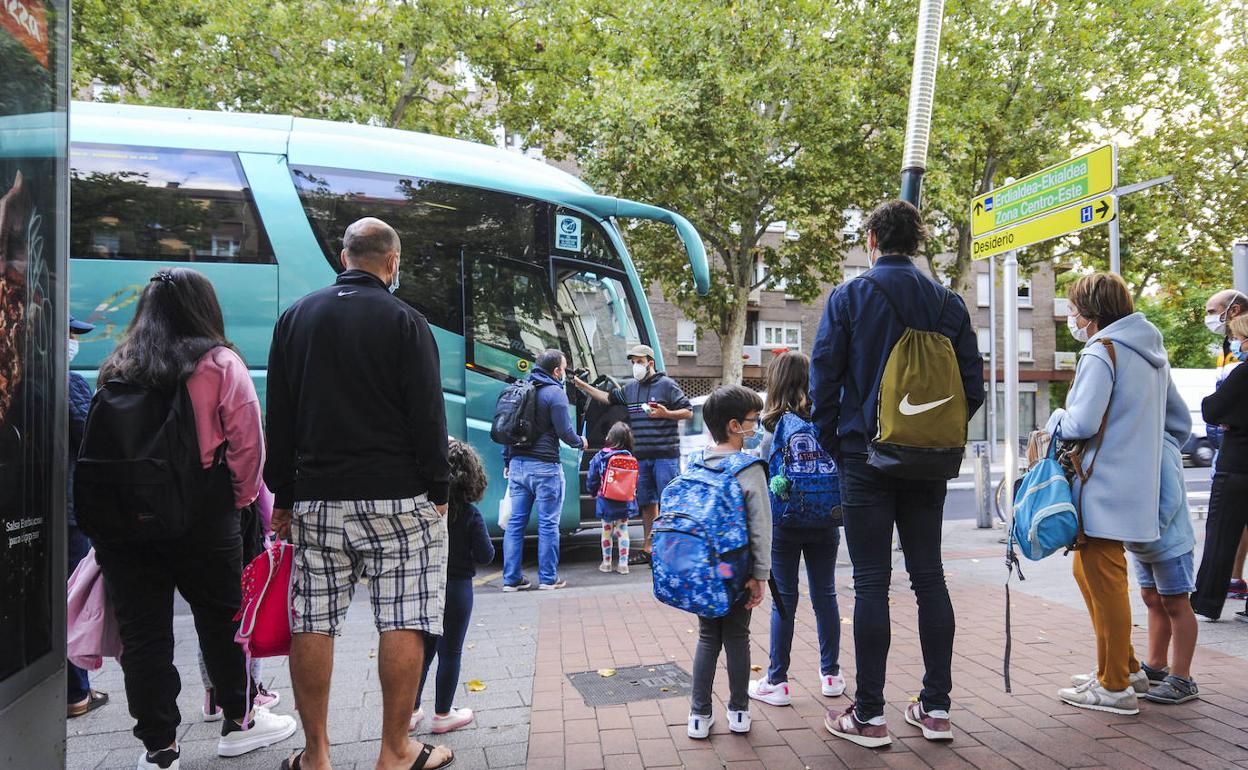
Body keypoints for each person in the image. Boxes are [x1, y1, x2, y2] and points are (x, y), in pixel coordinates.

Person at [265, 217, 453, 770]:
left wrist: (283, 496)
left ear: (342, 256)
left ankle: (316, 754)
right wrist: (438, 488)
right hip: (397, 497)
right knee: (404, 616)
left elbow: (281, 418)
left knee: (313, 620)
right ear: (392, 262)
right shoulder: (407, 322)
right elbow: (427, 416)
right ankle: (395, 751)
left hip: (318, 497)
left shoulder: (295, 318)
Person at [90, 269, 297, 770]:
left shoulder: (119, 364)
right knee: (223, 620)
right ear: (204, 308)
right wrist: (243, 502)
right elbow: (249, 446)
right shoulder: (221, 363)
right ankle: (238, 723)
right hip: (203, 515)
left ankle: (159, 749)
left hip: (125, 521)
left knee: (143, 635)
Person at [810, 200, 983, 748]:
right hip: (928, 463)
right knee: (928, 577)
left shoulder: (851, 296)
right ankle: (935, 709)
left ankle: (870, 715)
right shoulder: (949, 304)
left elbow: (823, 378)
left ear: (872, 238)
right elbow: (971, 388)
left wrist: (837, 441)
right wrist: (931, 435)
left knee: (869, 583)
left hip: (866, 457)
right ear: (918, 240)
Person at [1047, 272, 1189, 716]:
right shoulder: (1151, 352)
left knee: (1102, 579)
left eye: (1073, 309)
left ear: (1089, 314)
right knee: (1088, 573)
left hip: (1100, 486)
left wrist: (1054, 420)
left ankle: (1114, 687)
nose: (1071, 317)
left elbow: (1081, 423)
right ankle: (1125, 667)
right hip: (1132, 486)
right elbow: (1178, 423)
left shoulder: (1101, 350)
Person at [748, 351, 845, 709]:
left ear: (776, 383)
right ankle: (831, 674)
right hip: (825, 517)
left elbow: (762, 472)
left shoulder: (771, 425)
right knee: (826, 595)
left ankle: (777, 681)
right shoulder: (826, 419)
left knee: (784, 599)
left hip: (784, 523)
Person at [685, 385, 770, 740]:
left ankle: (698, 716)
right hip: (734, 571)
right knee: (737, 636)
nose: (758, 426)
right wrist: (760, 574)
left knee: (707, 637)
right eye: (754, 420)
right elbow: (760, 527)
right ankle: (738, 712)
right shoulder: (748, 468)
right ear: (735, 425)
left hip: (703, 570)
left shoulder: (694, 461)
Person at [573, 344, 692, 565]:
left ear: (650, 362)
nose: (636, 365)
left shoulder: (667, 385)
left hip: (665, 454)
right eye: (633, 362)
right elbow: (608, 397)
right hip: (641, 456)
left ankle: (669, 548)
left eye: (639, 361)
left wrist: (667, 413)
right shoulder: (631, 389)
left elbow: (688, 411)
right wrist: (582, 385)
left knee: (668, 500)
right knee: (647, 502)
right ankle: (649, 548)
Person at [411, 439, 495, 734]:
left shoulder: (428, 512)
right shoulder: (471, 515)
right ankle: (443, 713)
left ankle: (410, 710)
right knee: (451, 653)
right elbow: (486, 555)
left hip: (429, 585)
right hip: (458, 590)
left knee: (424, 650)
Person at [1119, 427, 1199, 704]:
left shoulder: (1160, 444)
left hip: (1169, 542)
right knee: (1152, 599)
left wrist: (1148, 531)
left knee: (1176, 602)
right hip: (1143, 541)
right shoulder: (1134, 439)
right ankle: (1156, 663)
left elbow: (1171, 497)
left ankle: (1182, 678)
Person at [500, 348, 585, 592]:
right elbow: (565, 434)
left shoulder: (519, 390)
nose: (565, 373)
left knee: (515, 523)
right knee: (548, 523)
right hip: (545, 467)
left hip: (517, 466)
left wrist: (508, 460)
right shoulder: (554, 393)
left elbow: (508, 429)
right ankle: (548, 579)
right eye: (565, 368)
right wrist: (581, 442)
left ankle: (511, 580)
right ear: (556, 370)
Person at [65, 316, 109, 720]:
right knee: (72, 595)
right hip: (70, 512)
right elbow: (89, 443)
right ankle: (77, 690)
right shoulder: (71, 384)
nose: (75, 342)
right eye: (70, 334)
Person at [1192, 315, 1248, 622]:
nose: (1236, 347)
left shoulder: (1242, 373)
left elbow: (1211, 409)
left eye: (1239, 340)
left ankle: (1207, 602)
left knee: (1220, 537)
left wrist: (1228, 417)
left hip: (1236, 465)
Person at [586, 421, 639, 574]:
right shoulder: (629, 457)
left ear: (610, 437)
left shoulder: (601, 456)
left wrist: (592, 491)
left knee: (607, 531)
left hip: (606, 500)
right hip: (625, 501)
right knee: (623, 530)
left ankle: (606, 563)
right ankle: (623, 565)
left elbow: (592, 477)